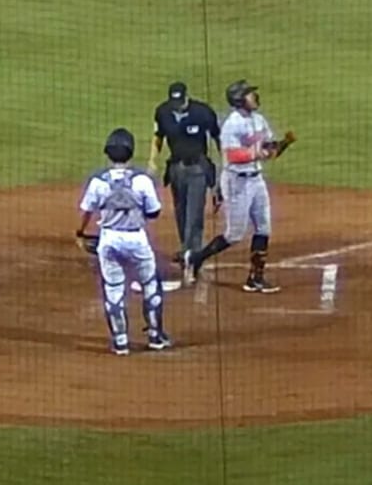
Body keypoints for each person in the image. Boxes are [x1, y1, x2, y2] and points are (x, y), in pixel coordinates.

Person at [76, 128, 174, 355]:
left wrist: (80, 232)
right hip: (136, 239)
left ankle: (120, 341)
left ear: (108, 153)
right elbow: (154, 212)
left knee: (113, 288)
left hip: (109, 239)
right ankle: (155, 336)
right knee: (150, 284)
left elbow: (87, 211)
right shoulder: (141, 181)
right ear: (131, 152)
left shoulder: (98, 182)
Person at [187, 81, 286, 293]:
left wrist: (279, 146)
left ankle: (255, 278)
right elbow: (231, 155)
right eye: (250, 94)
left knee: (264, 227)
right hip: (236, 182)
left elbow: (268, 146)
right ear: (240, 99)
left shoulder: (259, 120)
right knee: (234, 235)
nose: (255, 97)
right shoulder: (232, 124)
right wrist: (256, 154)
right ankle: (196, 258)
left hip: (256, 179)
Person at [148, 81, 222, 285]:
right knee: (180, 214)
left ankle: (193, 258)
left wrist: (224, 166)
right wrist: (152, 161)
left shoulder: (203, 112)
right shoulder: (163, 112)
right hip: (175, 170)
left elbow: (218, 137)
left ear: (186, 98)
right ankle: (186, 250)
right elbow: (158, 137)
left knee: (194, 216)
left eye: (179, 101)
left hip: (198, 169)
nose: (176, 105)